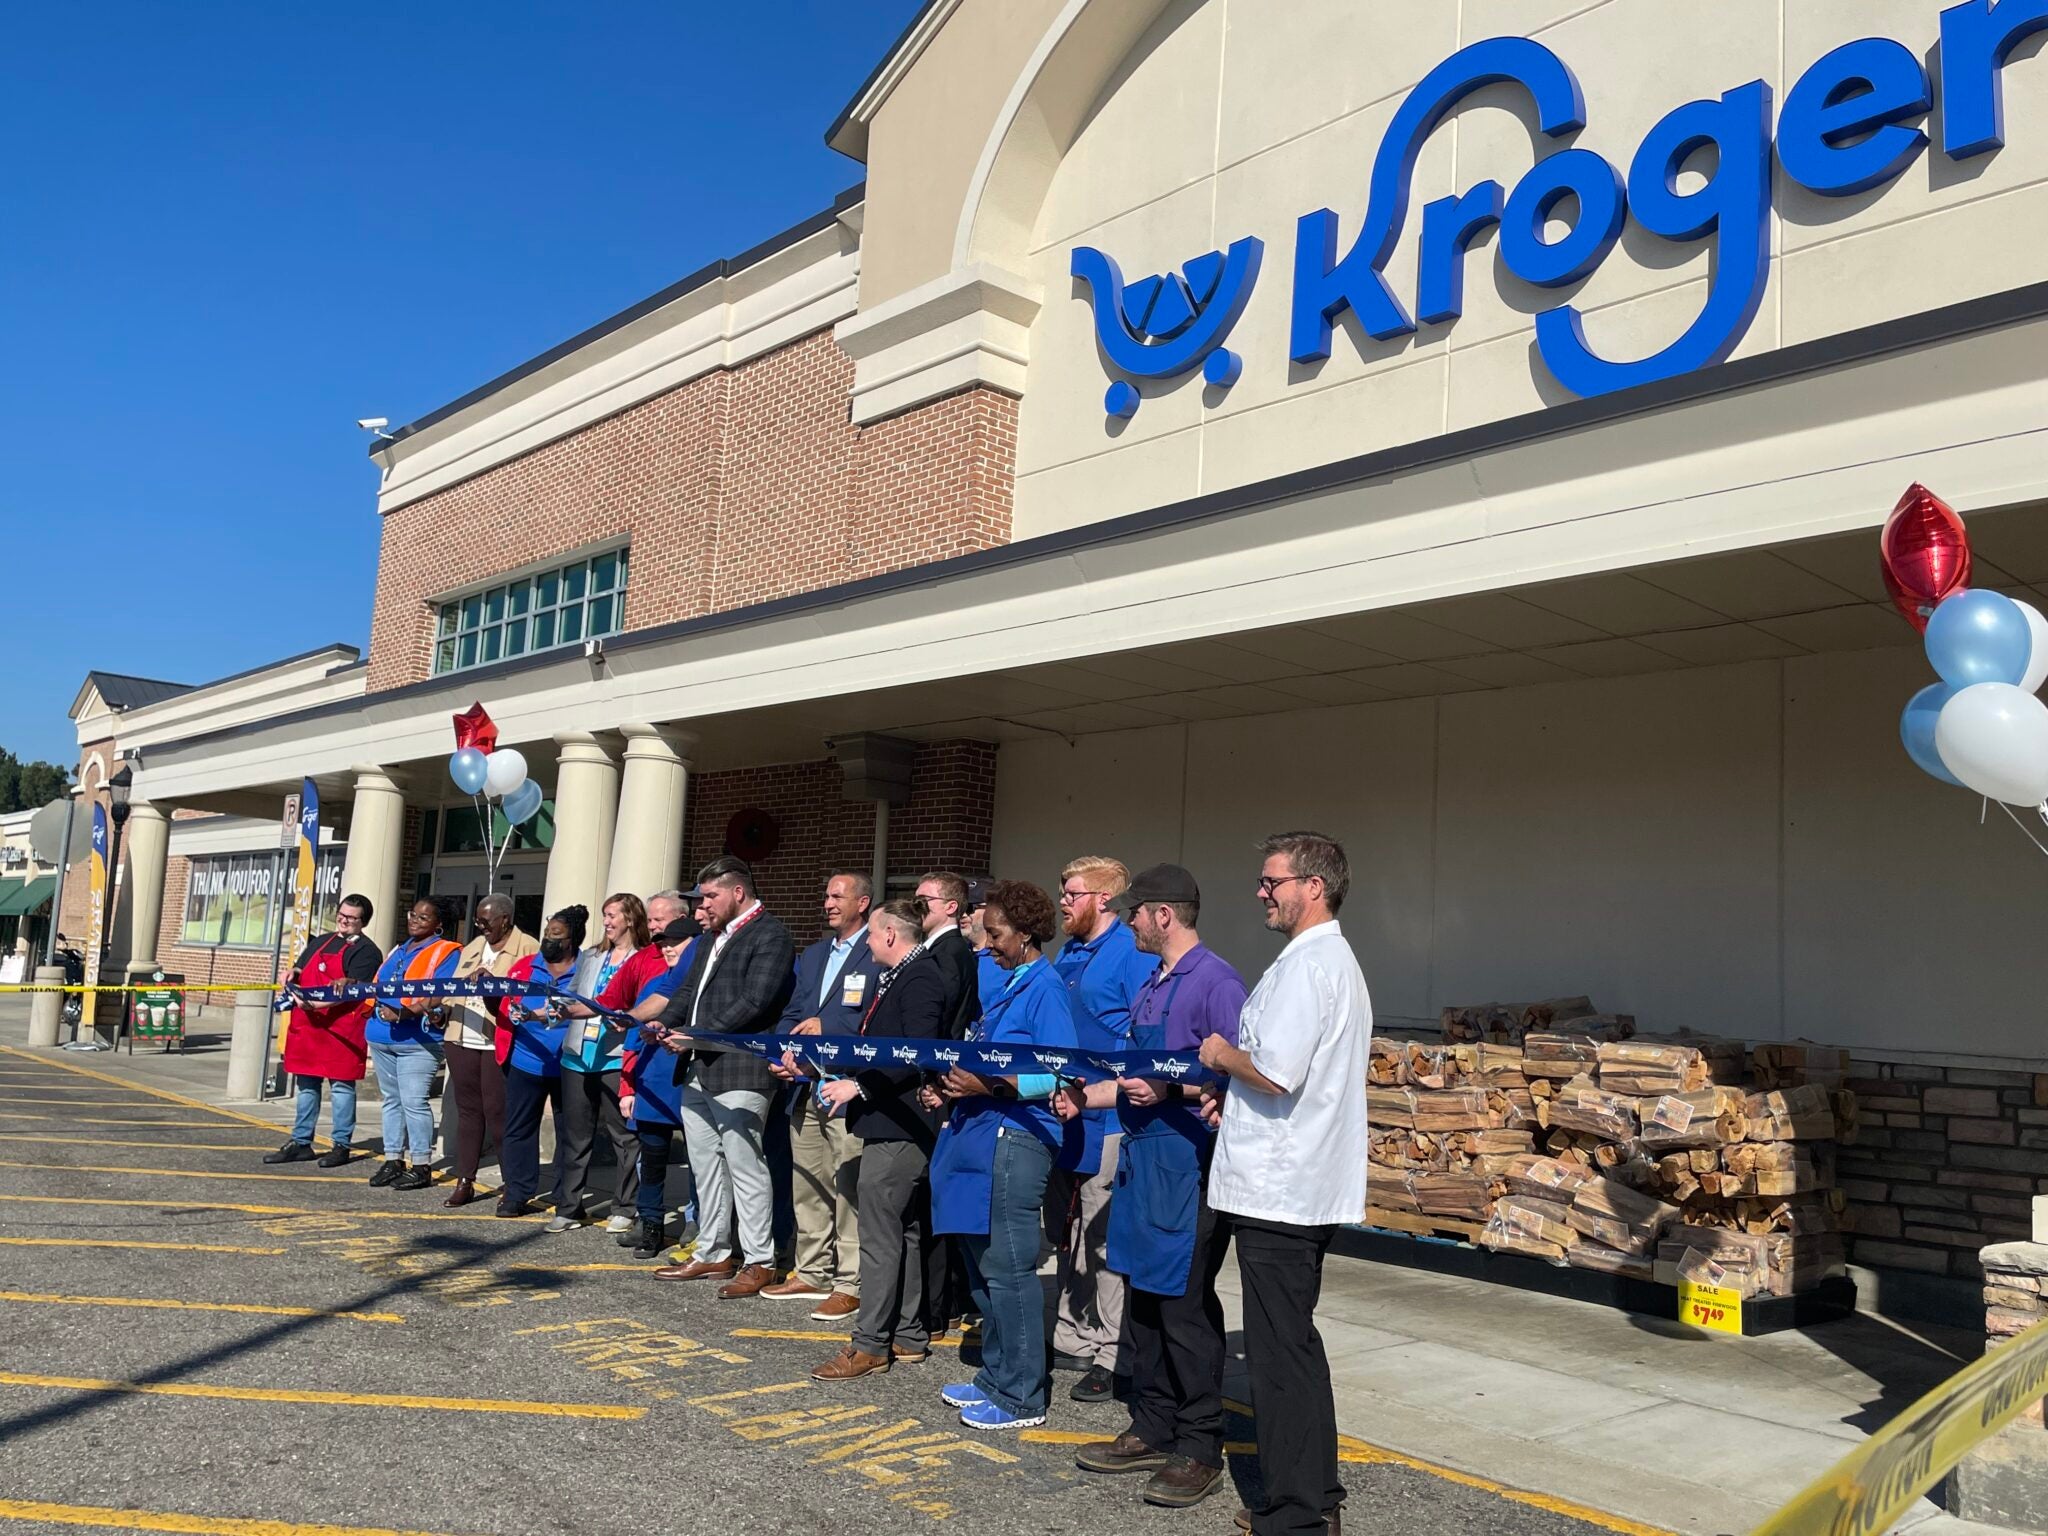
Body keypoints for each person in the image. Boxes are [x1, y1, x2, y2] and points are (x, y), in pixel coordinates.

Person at [1059, 864, 1247, 1509]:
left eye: (1135, 913)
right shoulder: (1154, 981)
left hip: (1186, 1167)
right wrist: (1082, 1098)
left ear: (1162, 914)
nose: (1129, 922)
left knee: (1183, 1306)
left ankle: (1199, 1444)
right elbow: (1137, 1078)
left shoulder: (1216, 983)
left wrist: (1178, 1088)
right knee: (1141, 1297)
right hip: (1142, 1161)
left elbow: (1243, 1077)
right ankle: (1152, 1425)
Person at [1199, 832, 1370, 1536]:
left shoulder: (1311, 966)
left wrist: (1220, 1056)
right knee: (1292, 1347)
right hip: (1290, 1182)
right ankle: (1316, 1496)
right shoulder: (1319, 959)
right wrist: (1234, 1091)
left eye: (1273, 882)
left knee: (1279, 1358)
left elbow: (1277, 1070)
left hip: (1281, 1190)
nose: (1262, 892)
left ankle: (1297, 1515)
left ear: (1314, 886)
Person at [926, 879, 1076, 1432]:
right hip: (979, 1133)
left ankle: (1022, 1396)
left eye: (995, 933)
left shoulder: (1047, 988)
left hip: (1017, 1137)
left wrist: (990, 1086)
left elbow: (1057, 1072)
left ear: (1026, 932)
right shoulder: (1011, 981)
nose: (986, 943)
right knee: (983, 1264)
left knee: (1009, 1267)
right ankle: (995, 1375)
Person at [795, 897, 946, 1380]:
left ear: (887, 935)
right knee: (902, 1231)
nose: (865, 943)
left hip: (899, 1124)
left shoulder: (920, 977)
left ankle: (869, 1345)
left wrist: (858, 1085)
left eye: (871, 934)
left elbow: (915, 1052)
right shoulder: (899, 973)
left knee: (879, 1234)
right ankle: (907, 1335)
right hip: (888, 1120)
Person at [647, 857, 796, 1297]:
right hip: (697, 1066)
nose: (702, 907)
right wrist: (665, 1024)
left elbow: (755, 1001)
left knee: (746, 1166)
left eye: (710, 897)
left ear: (737, 892)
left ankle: (759, 1259)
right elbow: (687, 992)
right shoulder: (711, 938)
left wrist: (692, 1034)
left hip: (740, 1068)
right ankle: (712, 1251)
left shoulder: (771, 935)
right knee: (706, 1165)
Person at [1048, 855, 1157, 1403]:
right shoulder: (1069, 950)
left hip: (1111, 1116)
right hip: (1069, 1113)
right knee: (1073, 1232)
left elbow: (1145, 1036)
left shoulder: (1130, 953)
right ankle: (1072, 1331)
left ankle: (1113, 1351)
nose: (1063, 900)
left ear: (1104, 900)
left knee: (1106, 1235)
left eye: (1073, 893)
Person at [762, 872, 881, 1320]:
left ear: (863, 902)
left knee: (847, 1183)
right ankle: (811, 1270)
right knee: (807, 1181)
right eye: (826, 895)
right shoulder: (813, 955)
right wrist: (784, 1052)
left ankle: (850, 1280)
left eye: (837, 896)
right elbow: (793, 1013)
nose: (827, 903)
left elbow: (874, 1021)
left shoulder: (877, 953)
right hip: (805, 1085)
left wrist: (826, 1030)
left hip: (848, 1085)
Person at [555, 892, 667, 1235]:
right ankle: (569, 1206)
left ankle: (624, 1207)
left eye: (612, 915)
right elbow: (572, 996)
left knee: (624, 1136)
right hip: (578, 1055)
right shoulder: (591, 956)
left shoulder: (645, 959)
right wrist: (549, 1011)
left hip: (615, 1056)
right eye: (604, 915)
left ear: (630, 919)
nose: (606, 922)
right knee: (575, 1136)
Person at [913, 869, 982, 1338]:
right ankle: (945, 1303)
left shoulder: (950, 952)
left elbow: (943, 1020)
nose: (917, 910)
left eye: (924, 902)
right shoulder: (935, 950)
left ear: (952, 907)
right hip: (937, 1084)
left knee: (935, 1202)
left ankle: (941, 1306)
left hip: (940, 1088)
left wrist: (937, 1078)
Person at [266, 894, 384, 1166]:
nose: (343, 921)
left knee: (342, 1087)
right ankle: (301, 1141)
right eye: (341, 915)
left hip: (340, 1027)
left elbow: (351, 990)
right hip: (309, 1026)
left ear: (363, 921)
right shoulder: (322, 940)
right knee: (307, 1085)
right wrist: (292, 973)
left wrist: (314, 1003)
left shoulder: (367, 951)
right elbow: (301, 966)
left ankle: (341, 1145)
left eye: (351, 918)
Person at [437, 893, 538, 1207]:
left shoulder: (528, 948)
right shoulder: (473, 948)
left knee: (499, 1114)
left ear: (505, 919)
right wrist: (441, 1009)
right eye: (478, 920)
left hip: (497, 1039)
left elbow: (527, 995)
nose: (480, 926)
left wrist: (493, 981)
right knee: (468, 1113)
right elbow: (452, 989)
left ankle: (513, 1183)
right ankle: (465, 1180)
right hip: (461, 1036)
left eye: (486, 921)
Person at [494, 906, 586, 1219]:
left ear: (572, 940)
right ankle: (516, 1193)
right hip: (526, 1060)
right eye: (547, 935)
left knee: (569, 1132)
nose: (548, 941)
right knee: (518, 1129)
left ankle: (566, 1196)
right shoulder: (524, 966)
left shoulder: (587, 969)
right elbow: (505, 1004)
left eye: (556, 936)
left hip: (570, 1064)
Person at [364, 899, 461, 1190]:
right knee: (391, 1100)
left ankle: (421, 1165)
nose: (415, 920)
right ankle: (393, 1158)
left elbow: (440, 992)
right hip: (382, 1036)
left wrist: (406, 1012)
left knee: (414, 1102)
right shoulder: (399, 948)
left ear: (438, 924)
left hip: (417, 1041)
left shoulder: (447, 951)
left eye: (423, 917)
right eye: (412, 914)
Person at [620, 912, 701, 1259]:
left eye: (676, 943)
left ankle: (697, 1222)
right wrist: (627, 1088)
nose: (668, 949)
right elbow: (631, 1039)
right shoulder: (656, 983)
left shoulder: (702, 984)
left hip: (688, 1080)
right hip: (652, 1080)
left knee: (701, 1162)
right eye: (665, 943)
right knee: (652, 1160)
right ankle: (650, 1223)